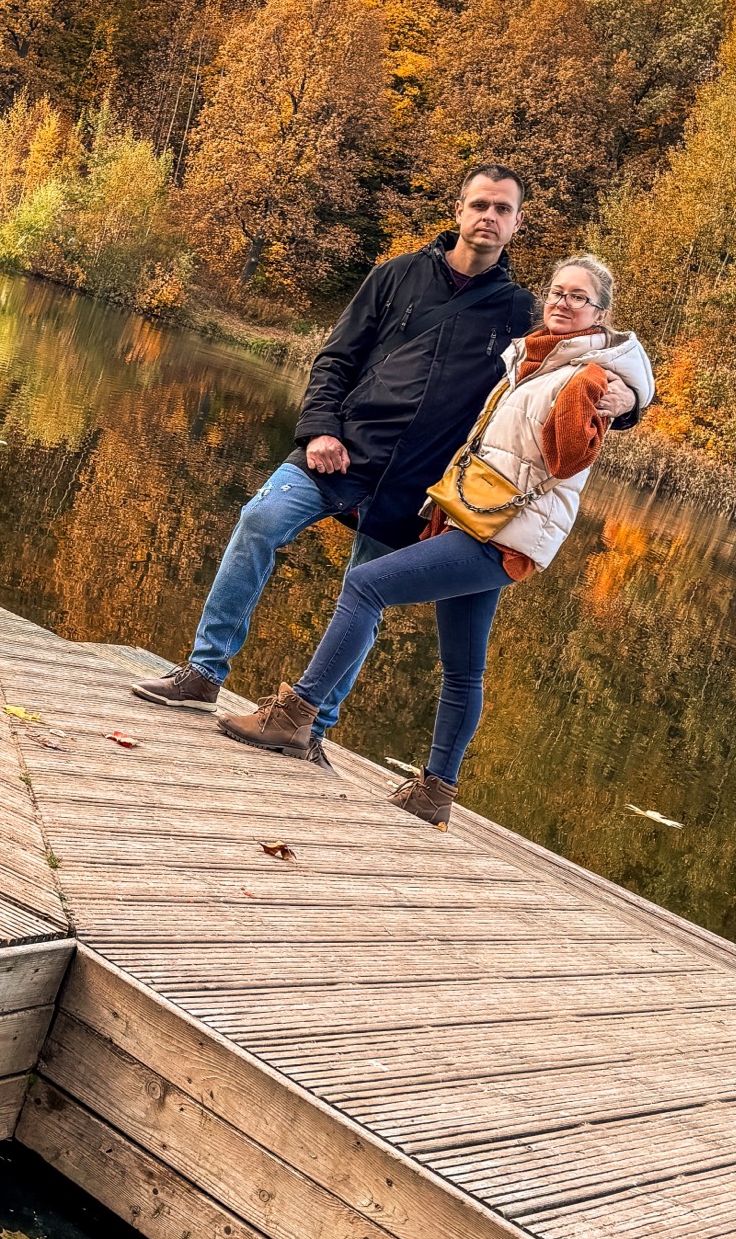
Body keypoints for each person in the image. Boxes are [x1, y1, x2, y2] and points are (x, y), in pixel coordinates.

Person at [130, 169, 641, 759]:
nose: (489, 217)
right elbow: (334, 360)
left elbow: (584, 361)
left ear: (517, 223)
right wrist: (320, 428)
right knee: (257, 522)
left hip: (418, 481)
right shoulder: (394, 275)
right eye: (479, 204)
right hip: (341, 451)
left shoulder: (519, 311)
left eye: (503, 209)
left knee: (366, 592)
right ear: (458, 208)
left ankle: (313, 728)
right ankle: (202, 672)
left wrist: (631, 404)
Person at [218, 254, 653, 827]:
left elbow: (570, 456)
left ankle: (296, 714)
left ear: (601, 314)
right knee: (463, 666)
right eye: (556, 291)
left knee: (366, 585)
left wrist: (615, 403)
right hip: (480, 519)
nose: (562, 302)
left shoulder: (587, 374)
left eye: (579, 297)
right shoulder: (537, 355)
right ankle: (435, 792)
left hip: (502, 533)